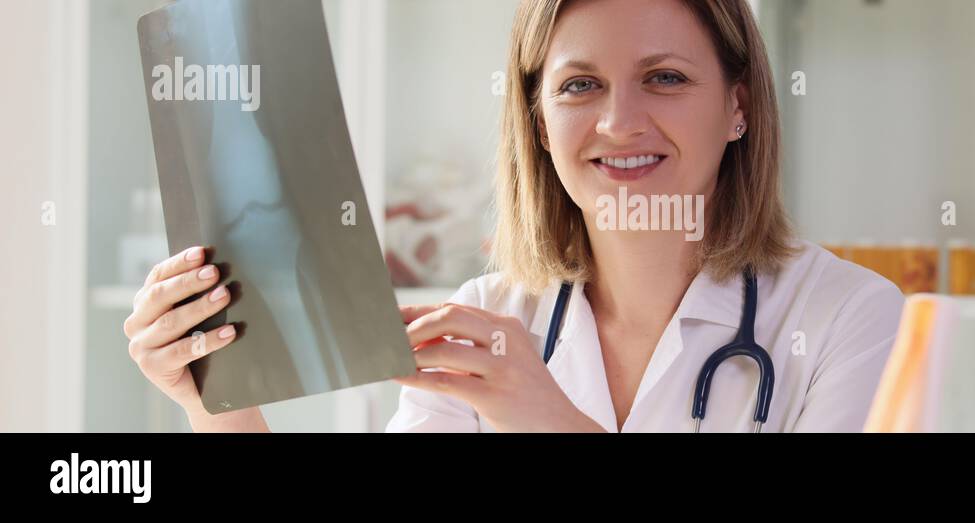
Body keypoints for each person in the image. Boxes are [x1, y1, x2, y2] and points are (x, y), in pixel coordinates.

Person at [123, 0, 903, 433]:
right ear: (535, 122)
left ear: (738, 106)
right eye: (578, 86)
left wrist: (545, 419)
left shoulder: (847, 319)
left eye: (664, 77)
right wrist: (210, 396)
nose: (620, 120)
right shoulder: (488, 318)